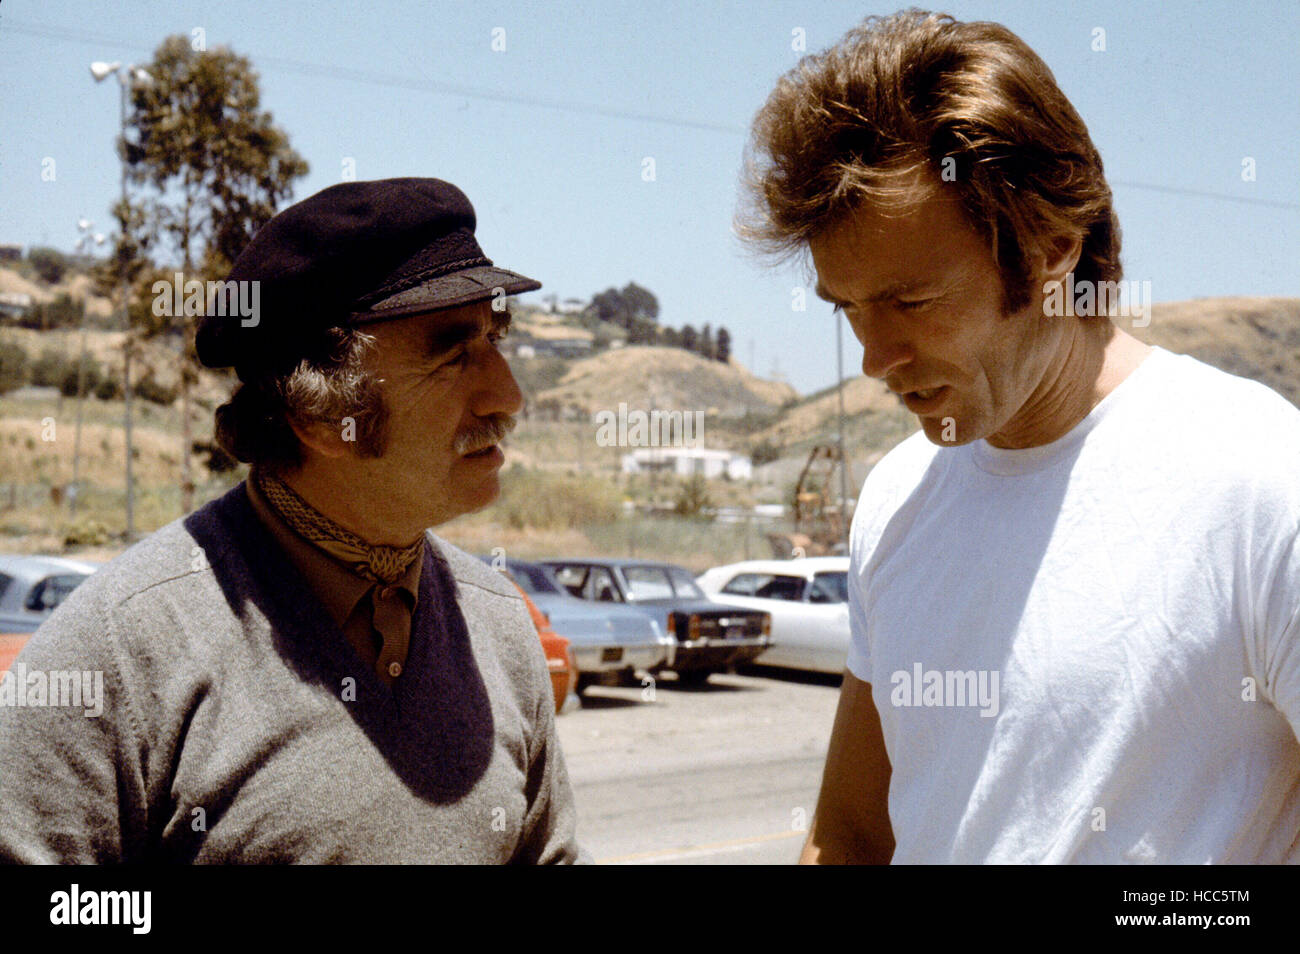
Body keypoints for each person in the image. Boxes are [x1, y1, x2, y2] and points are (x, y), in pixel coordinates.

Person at [739, 10, 1300, 863]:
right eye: (848, 308)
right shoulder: (895, 499)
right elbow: (851, 836)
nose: (875, 357)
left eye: (911, 302)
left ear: (1051, 248)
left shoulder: (1259, 479)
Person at [0, 177, 585, 863]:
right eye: (455, 353)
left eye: (496, 338)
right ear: (319, 414)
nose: (507, 395)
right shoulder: (124, 646)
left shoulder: (500, 627)